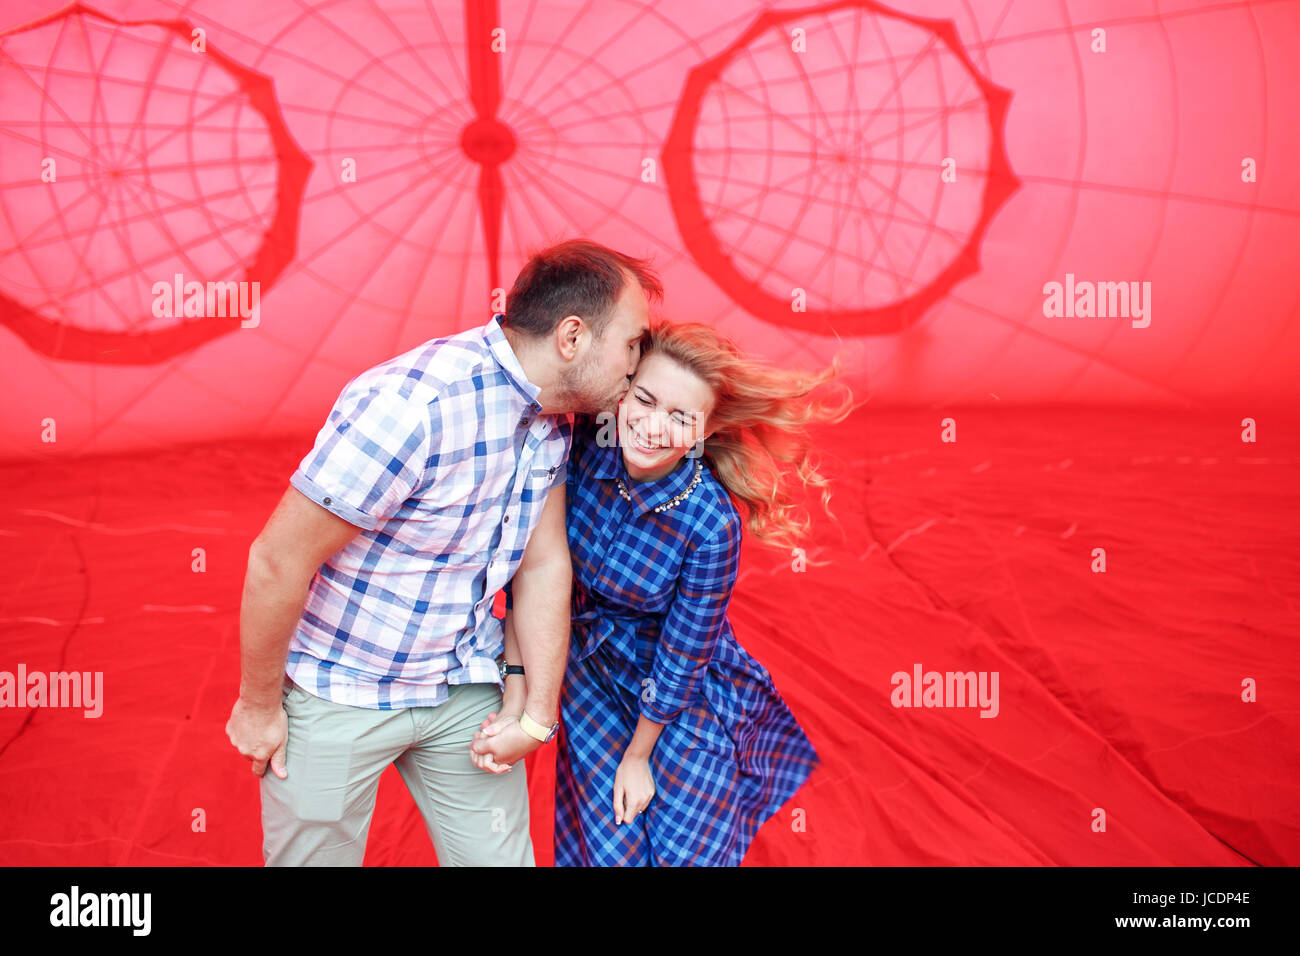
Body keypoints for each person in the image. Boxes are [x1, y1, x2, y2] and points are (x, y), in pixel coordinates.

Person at [224, 238, 661, 866]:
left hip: (462, 688)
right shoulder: (411, 407)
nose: (638, 363)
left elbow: (541, 565)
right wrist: (259, 704)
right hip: (341, 689)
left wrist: (536, 713)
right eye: (632, 342)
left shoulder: (555, 417)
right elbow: (277, 559)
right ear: (572, 338)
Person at [473, 320, 854, 865]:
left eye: (680, 417)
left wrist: (638, 756)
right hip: (589, 682)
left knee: (687, 845)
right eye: (645, 400)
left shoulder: (710, 523)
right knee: (607, 845)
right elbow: (530, 572)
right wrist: (518, 694)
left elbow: (683, 655)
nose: (652, 427)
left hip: (677, 698)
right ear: (625, 389)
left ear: (706, 429)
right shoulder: (584, 448)